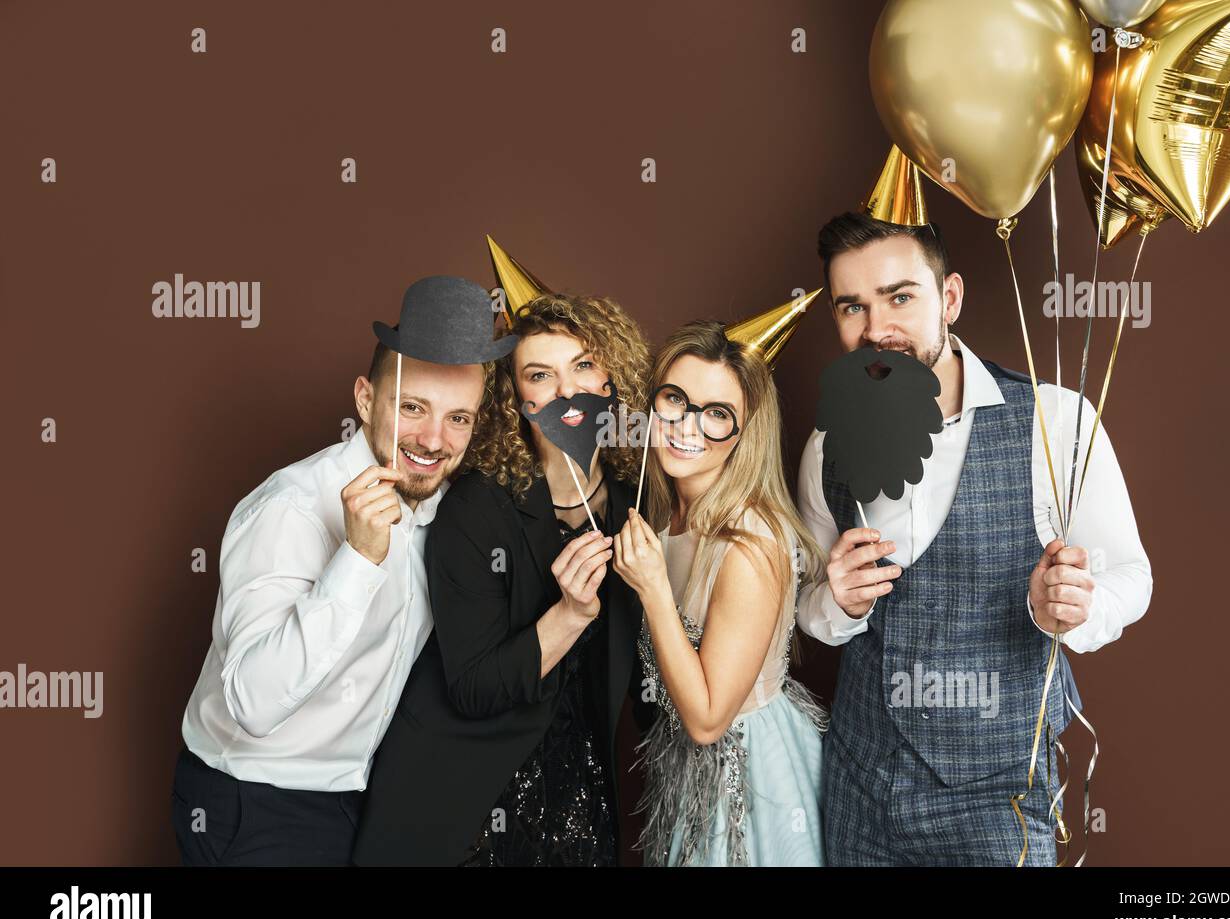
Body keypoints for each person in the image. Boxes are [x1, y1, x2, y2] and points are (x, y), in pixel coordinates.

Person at [798, 211, 1153, 866]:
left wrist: (1076, 608)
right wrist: (836, 601)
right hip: (858, 783)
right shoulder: (827, 446)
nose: (876, 330)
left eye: (900, 296)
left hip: (996, 795)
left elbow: (1130, 577)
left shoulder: (1055, 421)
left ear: (950, 299)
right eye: (853, 307)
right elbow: (807, 604)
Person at [171, 275, 510, 865]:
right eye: (413, 408)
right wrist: (355, 560)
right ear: (363, 399)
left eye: (459, 417)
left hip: (355, 801)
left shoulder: (446, 512)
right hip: (256, 801)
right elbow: (252, 702)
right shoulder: (292, 508)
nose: (434, 439)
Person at [351, 292, 656, 866]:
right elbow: (474, 688)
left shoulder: (635, 505)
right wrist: (567, 617)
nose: (567, 391)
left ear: (614, 380)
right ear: (515, 398)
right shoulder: (478, 509)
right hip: (469, 795)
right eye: (541, 375)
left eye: (584, 365)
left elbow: (646, 686)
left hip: (581, 793)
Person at [613, 319, 828, 866]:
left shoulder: (751, 541)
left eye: (716, 414)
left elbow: (708, 721)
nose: (687, 426)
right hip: (683, 778)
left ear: (742, 431)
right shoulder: (666, 519)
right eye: (675, 400)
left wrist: (654, 590)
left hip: (750, 782)